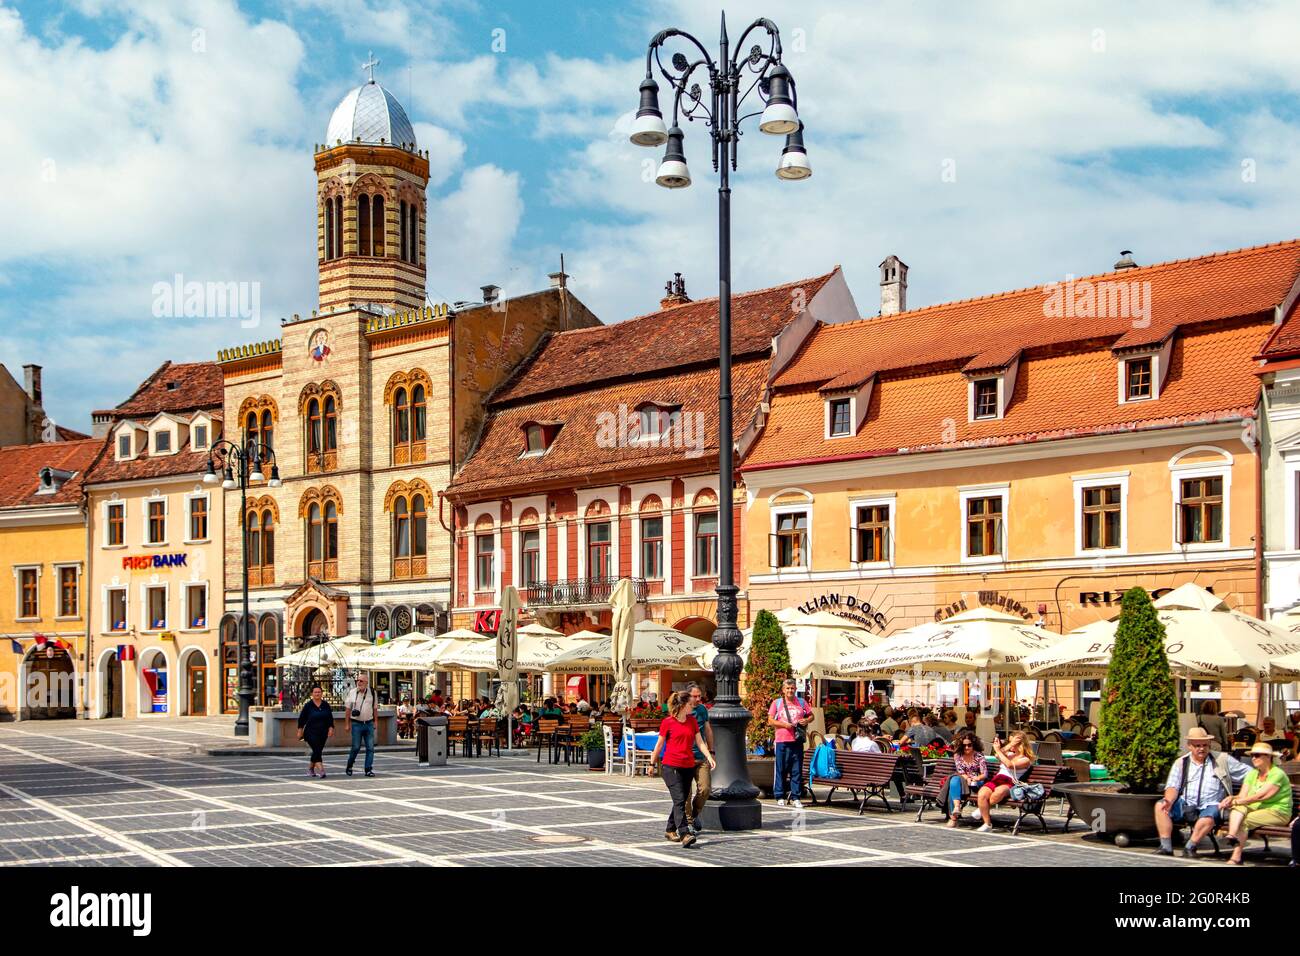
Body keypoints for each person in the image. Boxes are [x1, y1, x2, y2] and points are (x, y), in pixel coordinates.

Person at [1154, 726, 1248, 857]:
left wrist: (1239, 795)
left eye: (1205, 745)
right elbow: (1172, 786)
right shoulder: (1181, 762)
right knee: (1160, 806)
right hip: (1186, 802)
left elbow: (1250, 775)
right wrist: (1168, 800)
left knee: (1209, 816)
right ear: (1189, 746)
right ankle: (1166, 847)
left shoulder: (1222, 759)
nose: (1202, 748)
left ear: (1210, 745)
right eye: (1197, 745)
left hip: (1212, 804)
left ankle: (1190, 847)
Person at [650, 690, 715, 848]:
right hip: (671, 767)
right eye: (689, 703)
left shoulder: (692, 721)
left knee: (679, 800)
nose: (692, 705)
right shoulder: (668, 722)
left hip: (688, 766)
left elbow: (699, 742)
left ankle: (670, 829)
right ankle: (685, 833)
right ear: (682, 705)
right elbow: (659, 745)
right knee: (680, 800)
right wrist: (651, 764)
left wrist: (709, 756)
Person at [1220, 743, 1293, 865]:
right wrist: (1231, 798)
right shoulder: (1252, 773)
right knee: (1239, 808)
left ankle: (1236, 856)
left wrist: (1236, 802)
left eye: (1257, 755)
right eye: (1252, 755)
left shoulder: (1277, 774)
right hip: (1256, 808)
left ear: (1268, 757)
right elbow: (1243, 796)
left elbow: (1261, 796)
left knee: (1243, 820)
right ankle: (1232, 835)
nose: (1253, 758)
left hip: (1277, 812)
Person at [974, 730, 1033, 832]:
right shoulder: (1009, 753)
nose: (1012, 746)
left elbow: (1009, 765)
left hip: (1010, 781)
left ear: (1021, 744)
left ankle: (982, 809)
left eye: (1014, 743)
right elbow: (997, 756)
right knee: (982, 794)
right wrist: (1009, 745)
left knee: (997, 794)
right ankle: (987, 824)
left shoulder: (1025, 760)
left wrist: (998, 750)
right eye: (1010, 743)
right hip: (998, 778)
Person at [768, 678, 813, 809]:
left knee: (796, 769)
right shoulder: (777, 703)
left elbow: (811, 715)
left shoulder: (801, 702)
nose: (790, 691)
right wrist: (784, 725)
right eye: (787, 688)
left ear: (795, 689)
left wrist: (806, 720)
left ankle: (796, 797)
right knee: (781, 769)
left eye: (792, 688)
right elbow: (770, 721)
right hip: (782, 740)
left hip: (797, 740)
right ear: (783, 690)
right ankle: (780, 795)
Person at [685, 683, 715, 834]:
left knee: (705, 789)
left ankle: (694, 814)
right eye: (694, 696)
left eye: (699, 696)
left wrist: (711, 751)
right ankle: (689, 822)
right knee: (686, 793)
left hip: (701, 756)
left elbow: (708, 730)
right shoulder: (683, 711)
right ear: (687, 696)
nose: (698, 699)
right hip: (685, 757)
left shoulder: (703, 710)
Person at [946, 732, 989, 827]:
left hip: (977, 781)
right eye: (964, 745)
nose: (966, 747)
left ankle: (953, 818)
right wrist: (967, 778)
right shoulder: (958, 755)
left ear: (973, 744)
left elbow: (984, 774)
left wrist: (975, 778)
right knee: (954, 780)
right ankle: (957, 808)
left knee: (955, 786)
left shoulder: (979, 755)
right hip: (964, 780)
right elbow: (960, 771)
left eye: (969, 745)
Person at [344, 673, 379, 778]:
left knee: (370, 748)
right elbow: (347, 709)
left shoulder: (372, 693)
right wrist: (347, 724)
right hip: (356, 723)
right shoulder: (352, 692)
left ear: (366, 682)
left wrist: (376, 721)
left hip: (368, 723)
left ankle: (368, 769)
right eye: (357, 680)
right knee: (355, 747)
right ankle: (349, 765)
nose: (358, 682)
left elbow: (375, 708)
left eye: (361, 681)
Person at [296, 684, 335, 778]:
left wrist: (331, 728)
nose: (317, 694)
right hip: (310, 732)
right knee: (317, 749)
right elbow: (302, 719)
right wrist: (300, 730)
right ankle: (321, 770)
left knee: (317, 751)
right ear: (312, 694)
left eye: (319, 692)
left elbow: (330, 718)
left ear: (322, 693)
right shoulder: (308, 705)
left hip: (323, 732)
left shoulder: (325, 705)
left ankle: (310, 769)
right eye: (315, 692)